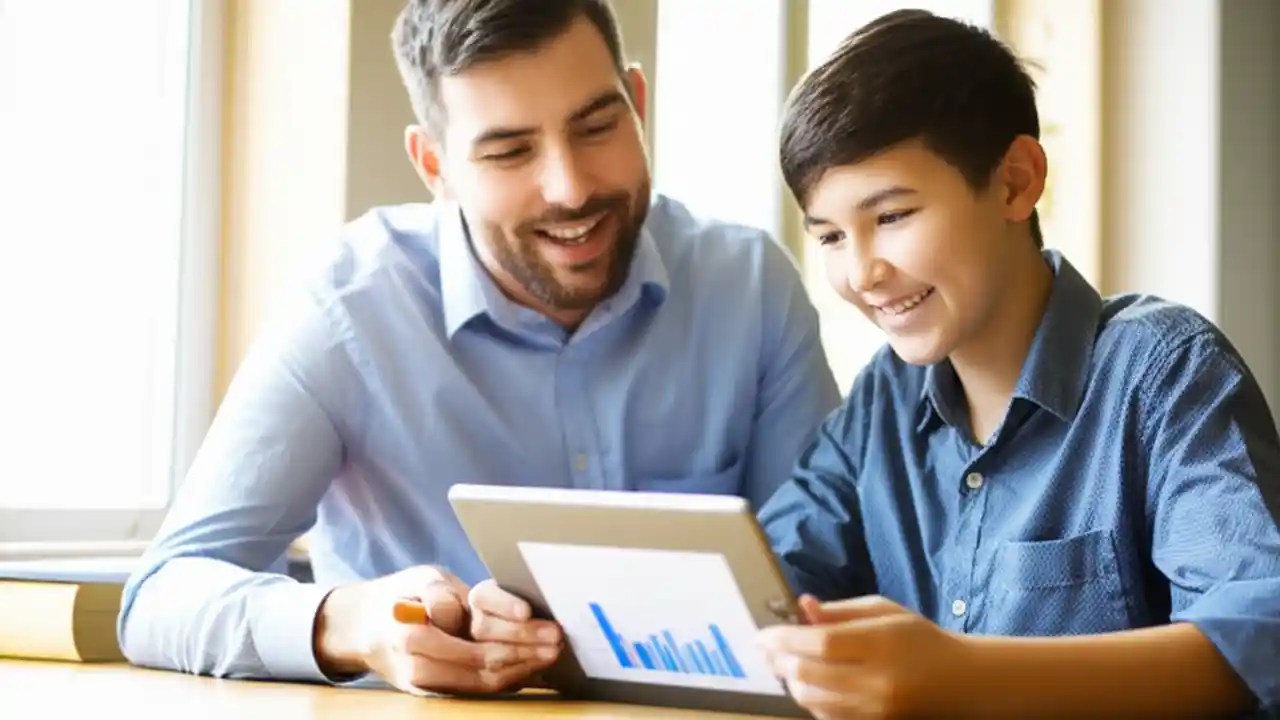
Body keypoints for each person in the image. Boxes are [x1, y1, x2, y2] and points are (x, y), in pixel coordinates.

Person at [118, 0, 838, 696]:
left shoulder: (749, 287)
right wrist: (353, 623)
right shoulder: (348, 312)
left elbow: (825, 576)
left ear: (637, 102)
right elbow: (160, 596)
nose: (570, 186)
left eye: (595, 126)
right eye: (509, 151)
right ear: (434, 164)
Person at [755, 10, 1280, 719]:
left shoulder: (1164, 371)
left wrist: (958, 674)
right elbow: (763, 587)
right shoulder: (883, 400)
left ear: (1015, 182)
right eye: (829, 235)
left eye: (892, 217)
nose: (862, 272)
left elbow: (1257, 640)